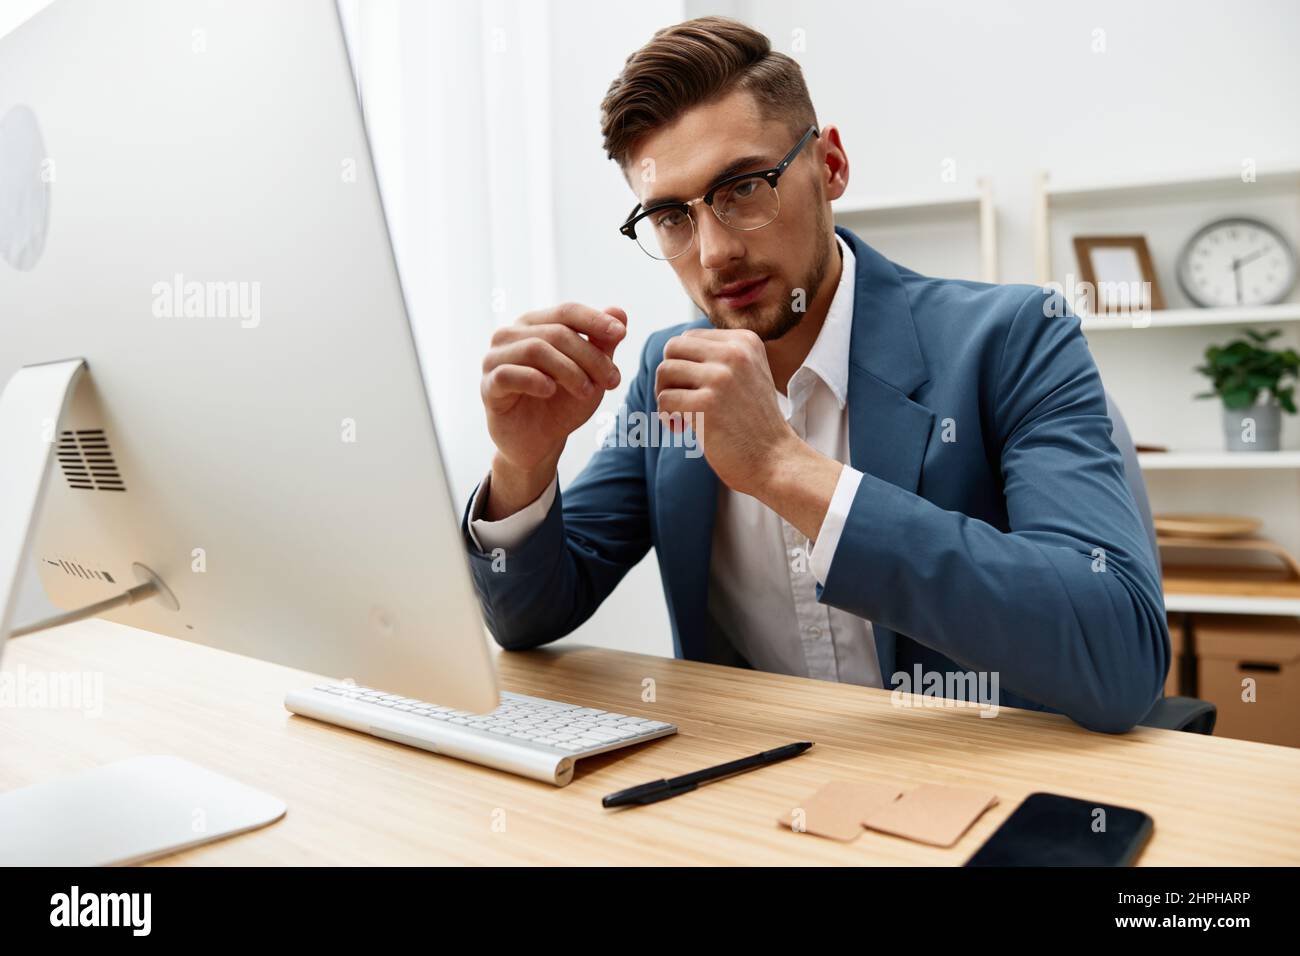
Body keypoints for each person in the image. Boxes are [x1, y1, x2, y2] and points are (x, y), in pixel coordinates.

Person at [460, 16, 1168, 733]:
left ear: (829, 165)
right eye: (672, 217)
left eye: (741, 188)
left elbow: (1119, 655)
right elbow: (530, 618)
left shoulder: (1014, 338)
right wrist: (523, 462)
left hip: (986, 800)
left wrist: (783, 467)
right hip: (757, 797)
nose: (713, 254)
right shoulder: (665, 375)